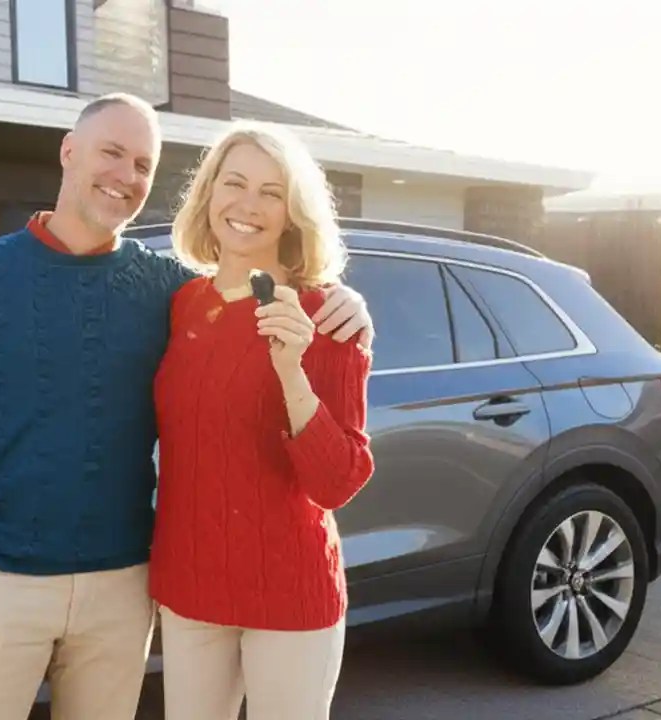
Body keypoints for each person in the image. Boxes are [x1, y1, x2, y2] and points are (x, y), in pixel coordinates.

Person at [0, 93, 373, 720]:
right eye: (111, 153)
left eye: (143, 164)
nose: (125, 176)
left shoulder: (163, 290)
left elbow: (264, 298)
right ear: (69, 152)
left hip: (125, 588)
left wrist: (348, 305)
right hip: (3, 581)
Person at [149, 120, 375, 720]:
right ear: (209, 195)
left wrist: (291, 371)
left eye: (271, 193)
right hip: (191, 583)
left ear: (292, 212)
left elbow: (337, 482)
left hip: (289, 590)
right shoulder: (181, 305)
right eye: (235, 184)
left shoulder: (328, 316)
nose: (248, 206)